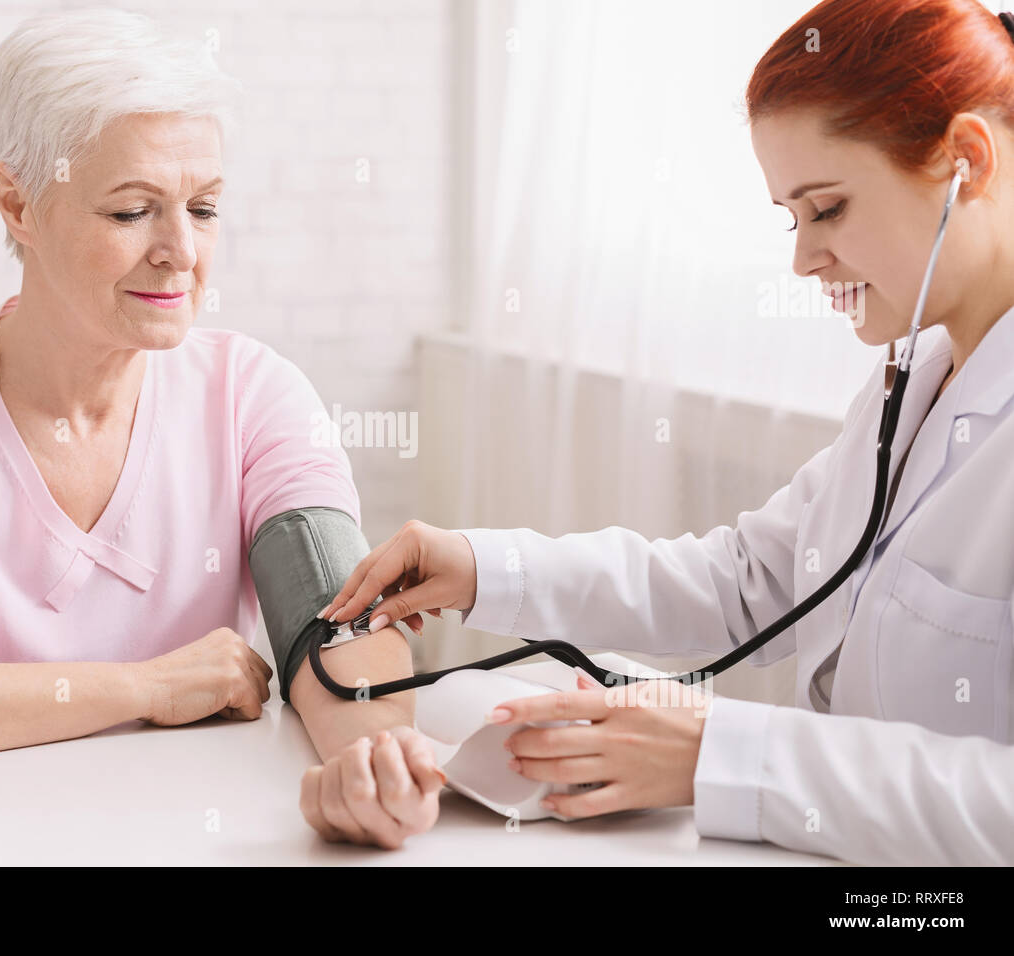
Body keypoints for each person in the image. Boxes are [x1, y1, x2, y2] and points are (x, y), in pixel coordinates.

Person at [318, 0, 1014, 864]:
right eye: (790, 217)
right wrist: (483, 566)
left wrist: (715, 754)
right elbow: (754, 581)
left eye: (827, 208)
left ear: (966, 163)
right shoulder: (908, 382)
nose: (801, 258)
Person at [0, 8, 443, 849]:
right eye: (130, 213)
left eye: (205, 207)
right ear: (17, 203)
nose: (181, 252)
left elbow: (333, 619)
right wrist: (139, 688)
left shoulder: (254, 394)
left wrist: (370, 761)